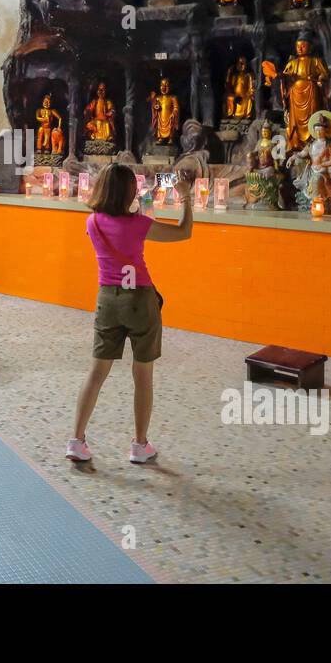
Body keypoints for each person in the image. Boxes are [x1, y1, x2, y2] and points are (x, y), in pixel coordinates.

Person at [67, 162, 193, 465]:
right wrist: (186, 197)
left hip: (107, 299)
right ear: (129, 193)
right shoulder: (140, 225)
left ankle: (76, 440)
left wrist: (140, 201)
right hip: (140, 300)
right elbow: (183, 232)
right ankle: (139, 445)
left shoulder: (92, 222)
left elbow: (119, 220)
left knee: (96, 374)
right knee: (143, 376)